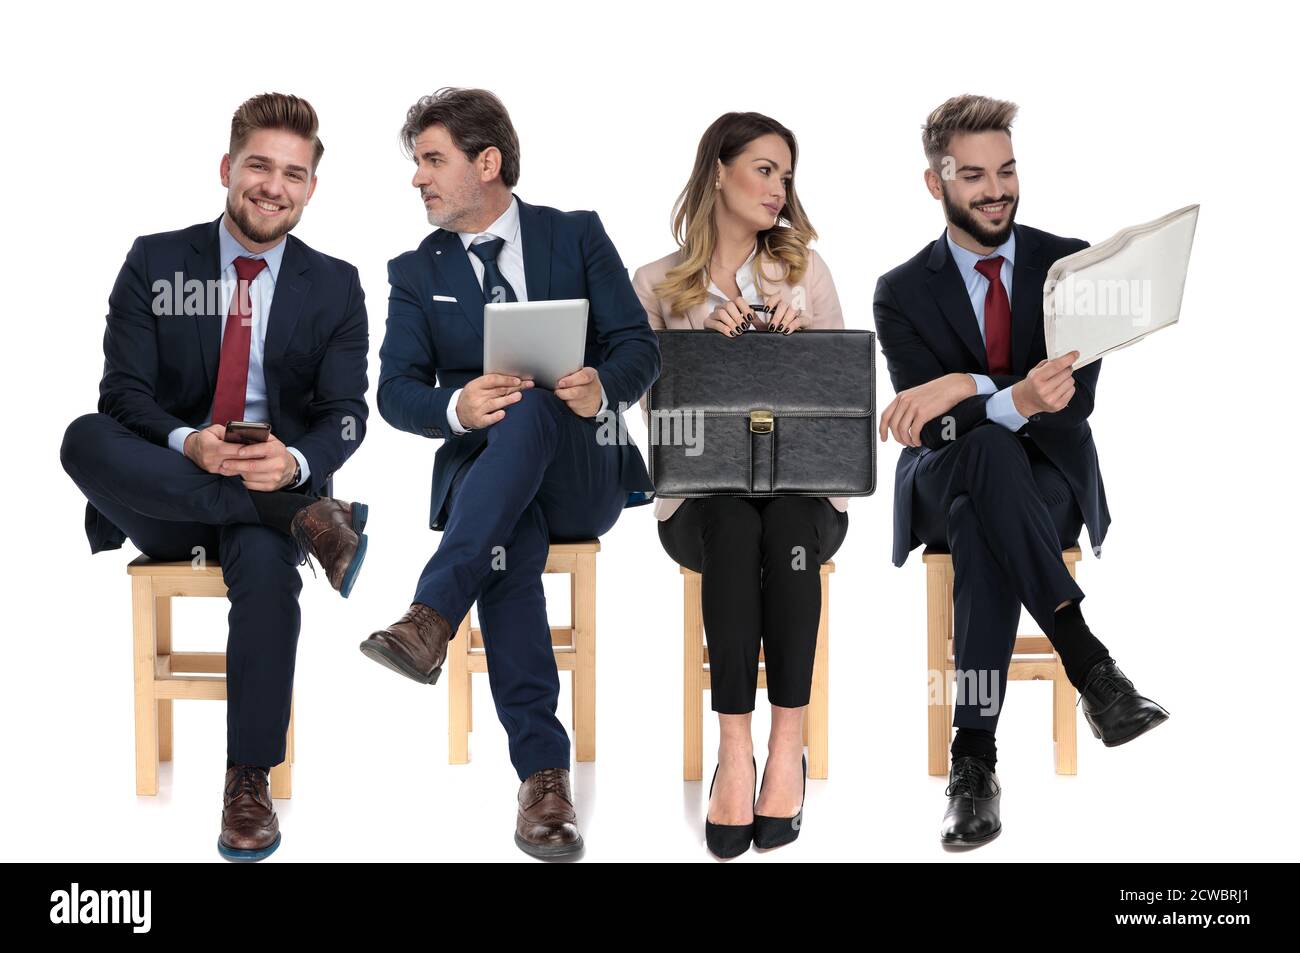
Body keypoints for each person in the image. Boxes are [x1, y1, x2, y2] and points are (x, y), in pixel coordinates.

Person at [59, 92, 371, 862]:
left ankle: (247, 779)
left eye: (293, 173)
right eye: (259, 165)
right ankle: (302, 518)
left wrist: (295, 463)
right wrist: (188, 441)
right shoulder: (156, 259)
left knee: (266, 569)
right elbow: (122, 395)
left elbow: (346, 414)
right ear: (227, 168)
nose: (273, 185)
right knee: (82, 437)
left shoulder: (334, 284)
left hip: (270, 487)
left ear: (311, 188)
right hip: (164, 495)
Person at [361, 87, 660, 860]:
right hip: (492, 482)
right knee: (506, 548)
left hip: (582, 468)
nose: (418, 178)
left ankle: (430, 613)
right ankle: (544, 780)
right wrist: (458, 404)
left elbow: (639, 347)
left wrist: (604, 383)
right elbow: (395, 392)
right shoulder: (412, 269)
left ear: (486, 163)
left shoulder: (576, 234)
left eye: (433, 160)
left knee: (533, 409)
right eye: (418, 162)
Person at [873, 94, 1169, 848]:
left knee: (986, 503)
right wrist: (998, 394)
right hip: (941, 476)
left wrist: (967, 389)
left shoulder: (1070, 263)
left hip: (1047, 483)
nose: (995, 188)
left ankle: (973, 761)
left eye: (1006, 170)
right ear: (935, 184)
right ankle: (1091, 666)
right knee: (979, 454)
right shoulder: (900, 291)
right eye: (973, 175)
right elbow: (929, 426)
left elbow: (1072, 411)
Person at [632, 112, 848, 858]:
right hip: (702, 498)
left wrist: (805, 343)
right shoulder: (655, 283)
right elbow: (654, 420)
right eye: (763, 168)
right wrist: (697, 350)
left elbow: (842, 408)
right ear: (718, 171)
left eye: (785, 175)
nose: (778, 188)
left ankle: (784, 747)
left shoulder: (805, 272)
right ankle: (734, 751)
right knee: (732, 522)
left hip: (802, 493)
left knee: (783, 524)